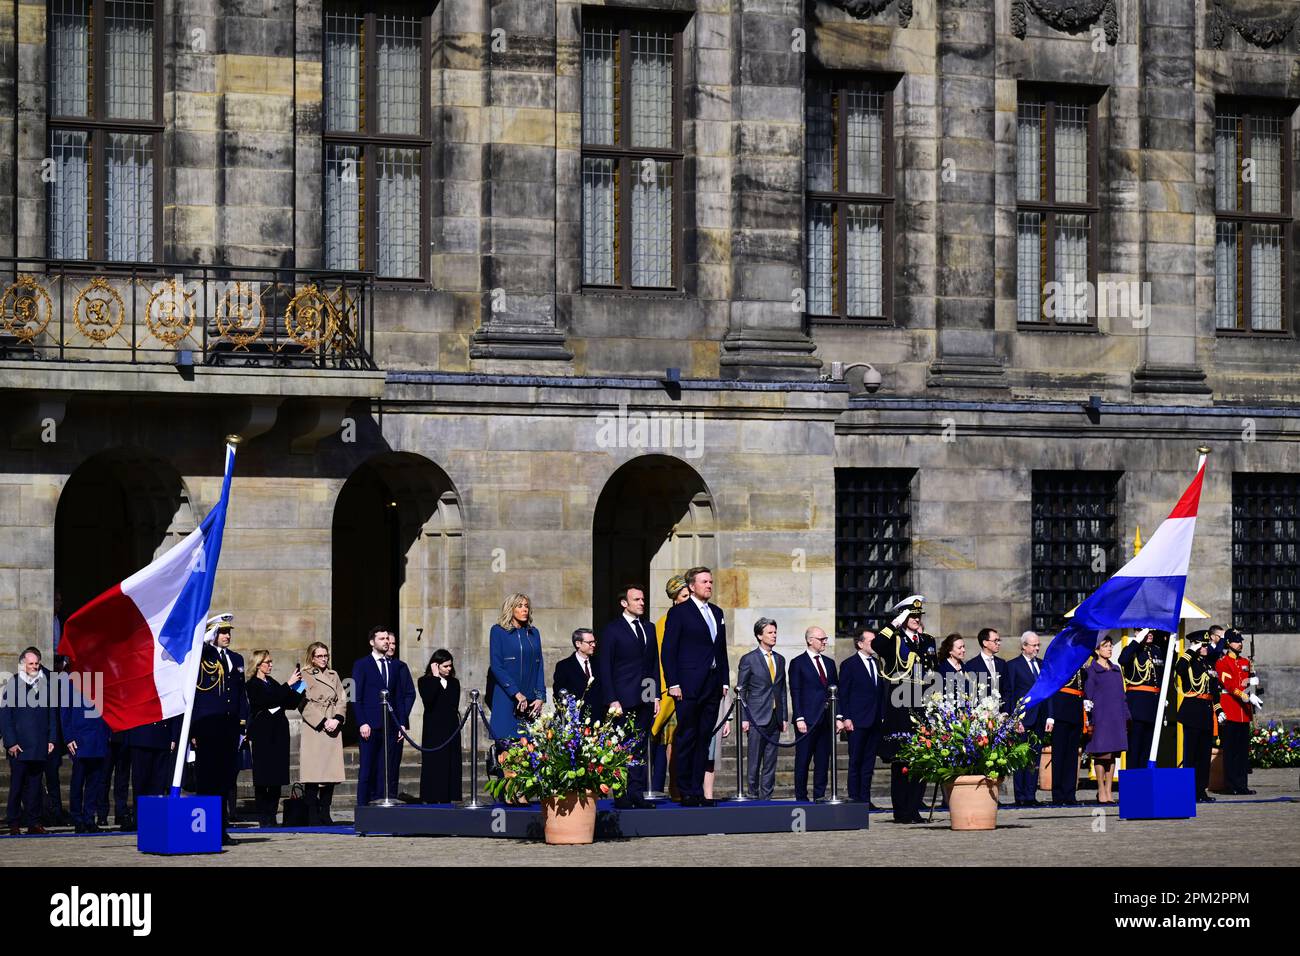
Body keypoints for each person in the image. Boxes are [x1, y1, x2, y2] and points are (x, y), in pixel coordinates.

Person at [661, 566, 730, 807]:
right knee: (687, 736)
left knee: (703, 738)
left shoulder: (717, 612)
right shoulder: (680, 613)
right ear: (691, 586)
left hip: (712, 685)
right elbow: (669, 650)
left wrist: (723, 681)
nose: (709, 585)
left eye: (711, 581)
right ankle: (685, 791)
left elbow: (720, 650)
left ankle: (699, 790)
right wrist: (673, 683)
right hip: (688, 685)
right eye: (704, 582)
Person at [873, 595, 937, 824]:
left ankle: (914, 808)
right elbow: (876, 645)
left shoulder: (927, 640)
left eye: (918, 615)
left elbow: (933, 673)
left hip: (921, 704)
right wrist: (895, 623)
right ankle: (901, 810)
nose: (916, 619)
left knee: (921, 759)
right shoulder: (895, 639)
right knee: (901, 760)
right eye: (911, 615)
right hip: (900, 703)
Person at [597, 584, 661, 809]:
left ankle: (636, 793)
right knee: (622, 747)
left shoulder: (649, 628)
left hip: (644, 698)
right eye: (636, 599)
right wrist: (612, 699)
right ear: (624, 603)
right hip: (622, 700)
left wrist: (654, 697)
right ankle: (621, 794)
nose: (641, 603)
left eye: (643, 599)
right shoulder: (612, 630)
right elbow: (605, 667)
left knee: (640, 748)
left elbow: (653, 665)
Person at [191, 613, 248, 845]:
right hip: (208, 725)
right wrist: (193, 728)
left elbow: (240, 695)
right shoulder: (203, 655)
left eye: (228, 632)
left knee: (225, 779)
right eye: (222, 632)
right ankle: (207, 829)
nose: (227, 636)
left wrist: (243, 724)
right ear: (212, 634)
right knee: (208, 779)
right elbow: (195, 694)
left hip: (229, 726)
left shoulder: (236, 658)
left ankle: (221, 829)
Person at [352, 626, 411, 806]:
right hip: (370, 725)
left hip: (391, 725)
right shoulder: (361, 664)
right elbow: (355, 697)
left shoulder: (393, 665)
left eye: (388, 638)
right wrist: (362, 722)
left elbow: (400, 697)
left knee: (385, 770)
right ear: (372, 642)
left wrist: (402, 723)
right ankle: (362, 808)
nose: (386, 642)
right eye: (382, 639)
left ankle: (381, 809)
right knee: (367, 769)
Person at [246, 650, 304, 826]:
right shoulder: (252, 684)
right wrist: (287, 685)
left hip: (278, 733)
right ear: (258, 664)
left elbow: (289, 702)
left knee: (277, 776)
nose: (270, 664)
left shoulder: (271, 682)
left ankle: (272, 814)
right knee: (264, 777)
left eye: (271, 661)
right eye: (267, 662)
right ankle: (264, 816)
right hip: (263, 734)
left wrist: (299, 686)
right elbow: (268, 700)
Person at [2, 648, 56, 835]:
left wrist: (52, 739)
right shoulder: (13, 683)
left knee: (35, 786)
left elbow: (51, 714)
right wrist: (10, 742)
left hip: (40, 744)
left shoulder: (46, 684)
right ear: (23, 664)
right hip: (19, 746)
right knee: (17, 786)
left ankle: (34, 822)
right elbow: (6, 716)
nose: (33, 667)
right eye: (30, 663)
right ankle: (14, 822)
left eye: (36, 663)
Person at [487, 594, 545, 752]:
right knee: (507, 751)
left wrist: (541, 696)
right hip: (507, 697)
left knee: (530, 751)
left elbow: (539, 666)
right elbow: (496, 666)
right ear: (510, 609)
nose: (524, 609)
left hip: (530, 701)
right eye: (519, 606)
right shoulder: (498, 631)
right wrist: (516, 693)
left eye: (526, 606)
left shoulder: (534, 633)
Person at [736, 618, 787, 801]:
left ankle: (767, 797)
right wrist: (744, 718)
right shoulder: (749, 659)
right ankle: (752, 794)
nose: (774, 636)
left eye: (775, 632)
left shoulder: (780, 660)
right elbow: (741, 691)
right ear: (759, 635)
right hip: (756, 717)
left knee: (771, 761)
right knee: (754, 760)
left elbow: (781, 689)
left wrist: (784, 717)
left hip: (774, 717)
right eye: (770, 633)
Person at [650, 575, 689, 799]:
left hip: (687, 690)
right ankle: (662, 788)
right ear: (675, 599)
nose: (687, 599)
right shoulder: (665, 623)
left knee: (678, 743)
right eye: (684, 596)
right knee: (666, 743)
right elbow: (664, 658)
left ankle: (678, 789)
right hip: (671, 691)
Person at [298, 642, 346, 825]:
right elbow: (301, 703)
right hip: (315, 727)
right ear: (312, 657)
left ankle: (325, 812)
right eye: (320, 656)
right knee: (313, 774)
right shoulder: (303, 675)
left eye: (326, 656)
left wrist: (338, 719)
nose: (324, 659)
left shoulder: (334, 675)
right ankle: (312, 813)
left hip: (333, 725)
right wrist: (323, 721)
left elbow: (342, 699)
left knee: (330, 774)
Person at [837, 627, 885, 808]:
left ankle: (865, 799)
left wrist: (881, 716)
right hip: (856, 720)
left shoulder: (877, 663)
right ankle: (855, 798)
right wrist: (845, 717)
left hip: (874, 720)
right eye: (871, 641)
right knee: (855, 761)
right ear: (860, 643)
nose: (875, 645)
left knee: (869, 763)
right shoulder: (849, 664)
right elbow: (844, 693)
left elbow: (880, 692)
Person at [789, 626, 837, 803]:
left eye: (825, 638)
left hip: (826, 719)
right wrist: (799, 717)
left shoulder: (830, 663)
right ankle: (801, 797)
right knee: (803, 760)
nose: (825, 641)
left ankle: (819, 795)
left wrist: (837, 717)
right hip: (807, 720)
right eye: (821, 638)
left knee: (823, 760)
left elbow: (835, 692)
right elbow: (796, 691)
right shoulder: (798, 663)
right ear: (810, 640)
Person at [1083, 636, 1127, 804]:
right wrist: (1091, 718)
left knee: (1113, 754)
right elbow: (1089, 695)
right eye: (1106, 646)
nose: (1109, 649)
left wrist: (1126, 716)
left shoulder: (1116, 669)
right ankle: (1100, 789)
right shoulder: (1092, 670)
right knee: (1101, 754)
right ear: (1097, 650)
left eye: (1110, 646)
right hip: (1100, 718)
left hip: (1116, 718)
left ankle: (1109, 789)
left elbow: (1122, 696)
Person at [62, 679, 109, 833]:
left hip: (98, 738)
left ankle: (89, 818)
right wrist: (68, 737)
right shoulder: (70, 682)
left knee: (94, 782)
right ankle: (77, 818)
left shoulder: (101, 681)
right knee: (78, 781)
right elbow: (65, 712)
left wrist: (107, 734)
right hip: (80, 740)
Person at [1176, 633, 1219, 803]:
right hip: (1192, 711)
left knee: (1203, 756)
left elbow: (1214, 689)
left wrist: (1219, 709)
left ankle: (1201, 790)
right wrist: (1190, 651)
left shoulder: (1209, 663)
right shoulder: (1189, 662)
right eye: (1202, 645)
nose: (1205, 648)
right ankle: (1189, 791)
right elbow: (1179, 669)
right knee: (1191, 755)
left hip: (1206, 712)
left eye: (1206, 645)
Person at [1006, 630, 1046, 806]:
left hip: (1039, 718)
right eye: (1034, 645)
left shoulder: (1042, 664)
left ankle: (1031, 794)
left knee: (1034, 758)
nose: (1037, 648)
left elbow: (1047, 692)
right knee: (1020, 757)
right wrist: (1014, 719)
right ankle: (1020, 795)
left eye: (1038, 645)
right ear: (1024, 646)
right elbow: (1010, 693)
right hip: (1022, 719)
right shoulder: (1013, 665)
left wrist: (1050, 717)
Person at [418, 649, 463, 804]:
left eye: (450, 666)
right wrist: (435, 678)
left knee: (450, 762)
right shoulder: (424, 681)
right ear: (436, 666)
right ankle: (431, 796)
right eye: (445, 666)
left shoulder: (454, 683)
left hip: (450, 728)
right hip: (433, 729)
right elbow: (429, 699)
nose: (449, 669)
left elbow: (452, 703)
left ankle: (449, 795)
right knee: (434, 763)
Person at [1215, 629, 1256, 795]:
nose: (1239, 644)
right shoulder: (1222, 662)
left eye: (1240, 641)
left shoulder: (1245, 661)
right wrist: (1243, 696)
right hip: (1231, 708)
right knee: (1231, 751)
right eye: (1236, 641)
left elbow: (1248, 681)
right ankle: (1231, 785)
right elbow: (1230, 685)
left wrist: (1253, 679)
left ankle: (1242, 785)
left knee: (1242, 751)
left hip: (1243, 712)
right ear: (1228, 643)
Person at [1118, 628, 1165, 768]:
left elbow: (1161, 676)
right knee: (1135, 747)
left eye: (1151, 631)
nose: (1149, 634)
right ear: (1136, 632)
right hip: (1137, 705)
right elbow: (1123, 659)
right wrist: (1137, 641)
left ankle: (1144, 782)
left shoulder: (1156, 650)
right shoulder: (1131, 649)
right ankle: (1133, 784)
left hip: (1153, 704)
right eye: (1144, 630)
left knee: (1148, 748)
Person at [1045, 657, 1088, 806]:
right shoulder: (1059, 664)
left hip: (1075, 711)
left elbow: (1082, 687)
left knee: (1071, 756)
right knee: (1059, 755)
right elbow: (1051, 689)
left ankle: (1070, 793)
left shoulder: (1079, 664)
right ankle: (1058, 794)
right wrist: (1051, 715)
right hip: (1061, 710)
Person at [123, 714, 182, 820]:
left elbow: (174, 710)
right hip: (140, 736)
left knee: (158, 783)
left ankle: (154, 818)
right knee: (141, 782)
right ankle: (140, 818)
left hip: (163, 736)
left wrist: (173, 736)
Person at [384, 640, 417, 800]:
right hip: (377, 722)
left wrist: (402, 719)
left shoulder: (400, 666)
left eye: (394, 643)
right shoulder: (371, 665)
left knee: (393, 763)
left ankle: (391, 795)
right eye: (387, 642)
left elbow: (410, 693)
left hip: (397, 723)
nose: (391, 646)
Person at [553, 628, 600, 707]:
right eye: (590, 642)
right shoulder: (564, 666)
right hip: (575, 716)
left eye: (594, 642)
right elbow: (559, 694)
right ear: (578, 643)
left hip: (598, 715)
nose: (594, 645)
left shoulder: (599, 663)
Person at [966, 627, 1010, 711]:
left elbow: (1007, 690)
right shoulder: (972, 665)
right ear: (985, 643)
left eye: (999, 640)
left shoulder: (1002, 663)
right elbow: (971, 694)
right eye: (995, 640)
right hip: (982, 716)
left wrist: (1006, 712)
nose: (998, 643)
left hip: (1001, 714)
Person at [936, 633, 967, 697]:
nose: (963, 650)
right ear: (950, 651)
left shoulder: (966, 667)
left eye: (963, 646)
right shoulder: (942, 669)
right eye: (959, 648)